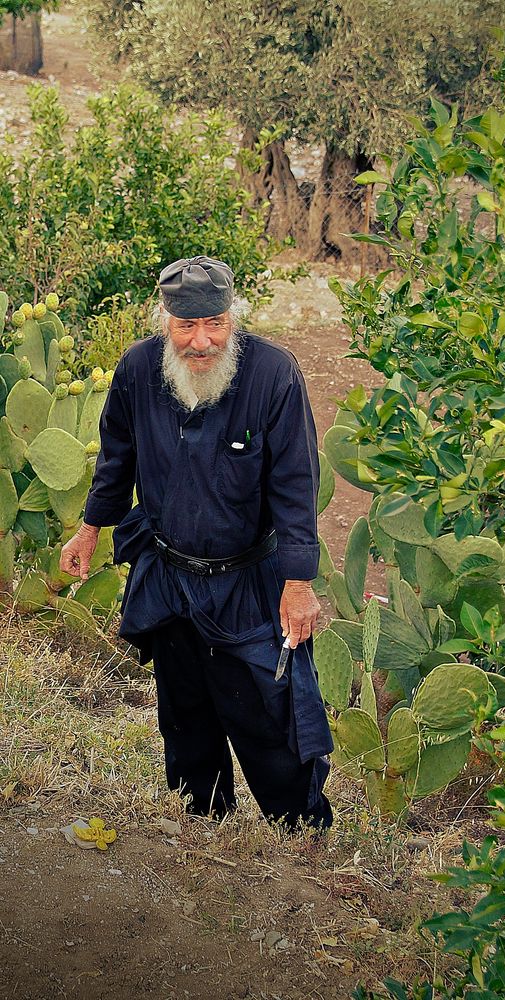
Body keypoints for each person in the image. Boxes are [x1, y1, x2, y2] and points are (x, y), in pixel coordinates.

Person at [60, 256, 333, 830]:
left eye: (215, 323)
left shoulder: (272, 374)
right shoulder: (138, 369)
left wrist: (298, 581)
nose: (202, 341)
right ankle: (200, 818)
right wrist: (90, 527)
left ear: (233, 315)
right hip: (169, 575)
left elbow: (296, 482)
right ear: (165, 321)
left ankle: (300, 827)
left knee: (268, 716)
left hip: (248, 584)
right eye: (186, 326)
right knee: (184, 712)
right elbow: (117, 456)